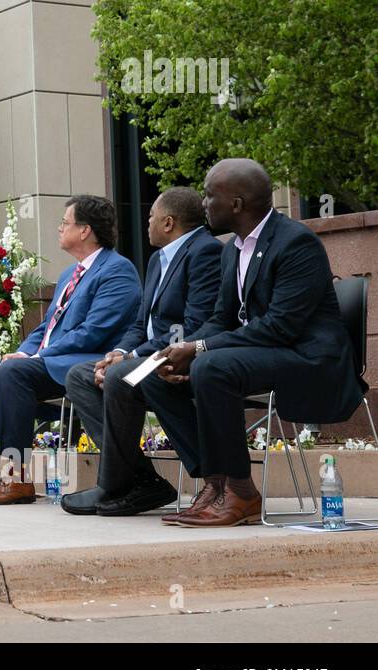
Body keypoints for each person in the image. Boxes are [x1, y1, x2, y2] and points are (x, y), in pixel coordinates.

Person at [139, 159, 362, 527]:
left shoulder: (296, 242)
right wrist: (184, 348)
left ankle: (242, 493)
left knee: (211, 365)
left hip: (308, 359)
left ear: (237, 204)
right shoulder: (231, 249)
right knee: (155, 373)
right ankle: (215, 482)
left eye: (210, 196)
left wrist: (198, 349)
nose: (204, 204)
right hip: (263, 354)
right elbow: (220, 319)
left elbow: (280, 327)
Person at [0, 194, 141, 505]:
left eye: (65, 222)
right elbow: (46, 327)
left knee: (15, 371)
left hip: (83, 365)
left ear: (85, 230)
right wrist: (26, 352)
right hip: (43, 362)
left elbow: (93, 333)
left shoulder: (118, 271)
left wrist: (37, 357)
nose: (59, 228)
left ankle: (15, 478)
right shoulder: (70, 274)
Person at [60, 187, 222, 516]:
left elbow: (190, 326)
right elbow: (141, 323)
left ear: (168, 223)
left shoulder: (205, 252)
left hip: (183, 356)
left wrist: (133, 359)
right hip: (148, 356)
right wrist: (122, 350)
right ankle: (142, 481)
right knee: (80, 375)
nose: (145, 223)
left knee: (120, 376)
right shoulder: (157, 259)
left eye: (151, 217)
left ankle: (114, 483)